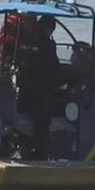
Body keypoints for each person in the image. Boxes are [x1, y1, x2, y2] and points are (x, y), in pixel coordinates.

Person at [16, 15, 60, 159]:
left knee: (17, 117)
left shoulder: (22, 39)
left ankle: (15, 147)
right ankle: (40, 155)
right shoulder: (47, 43)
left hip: (23, 88)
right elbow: (54, 68)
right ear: (50, 29)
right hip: (40, 91)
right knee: (43, 122)